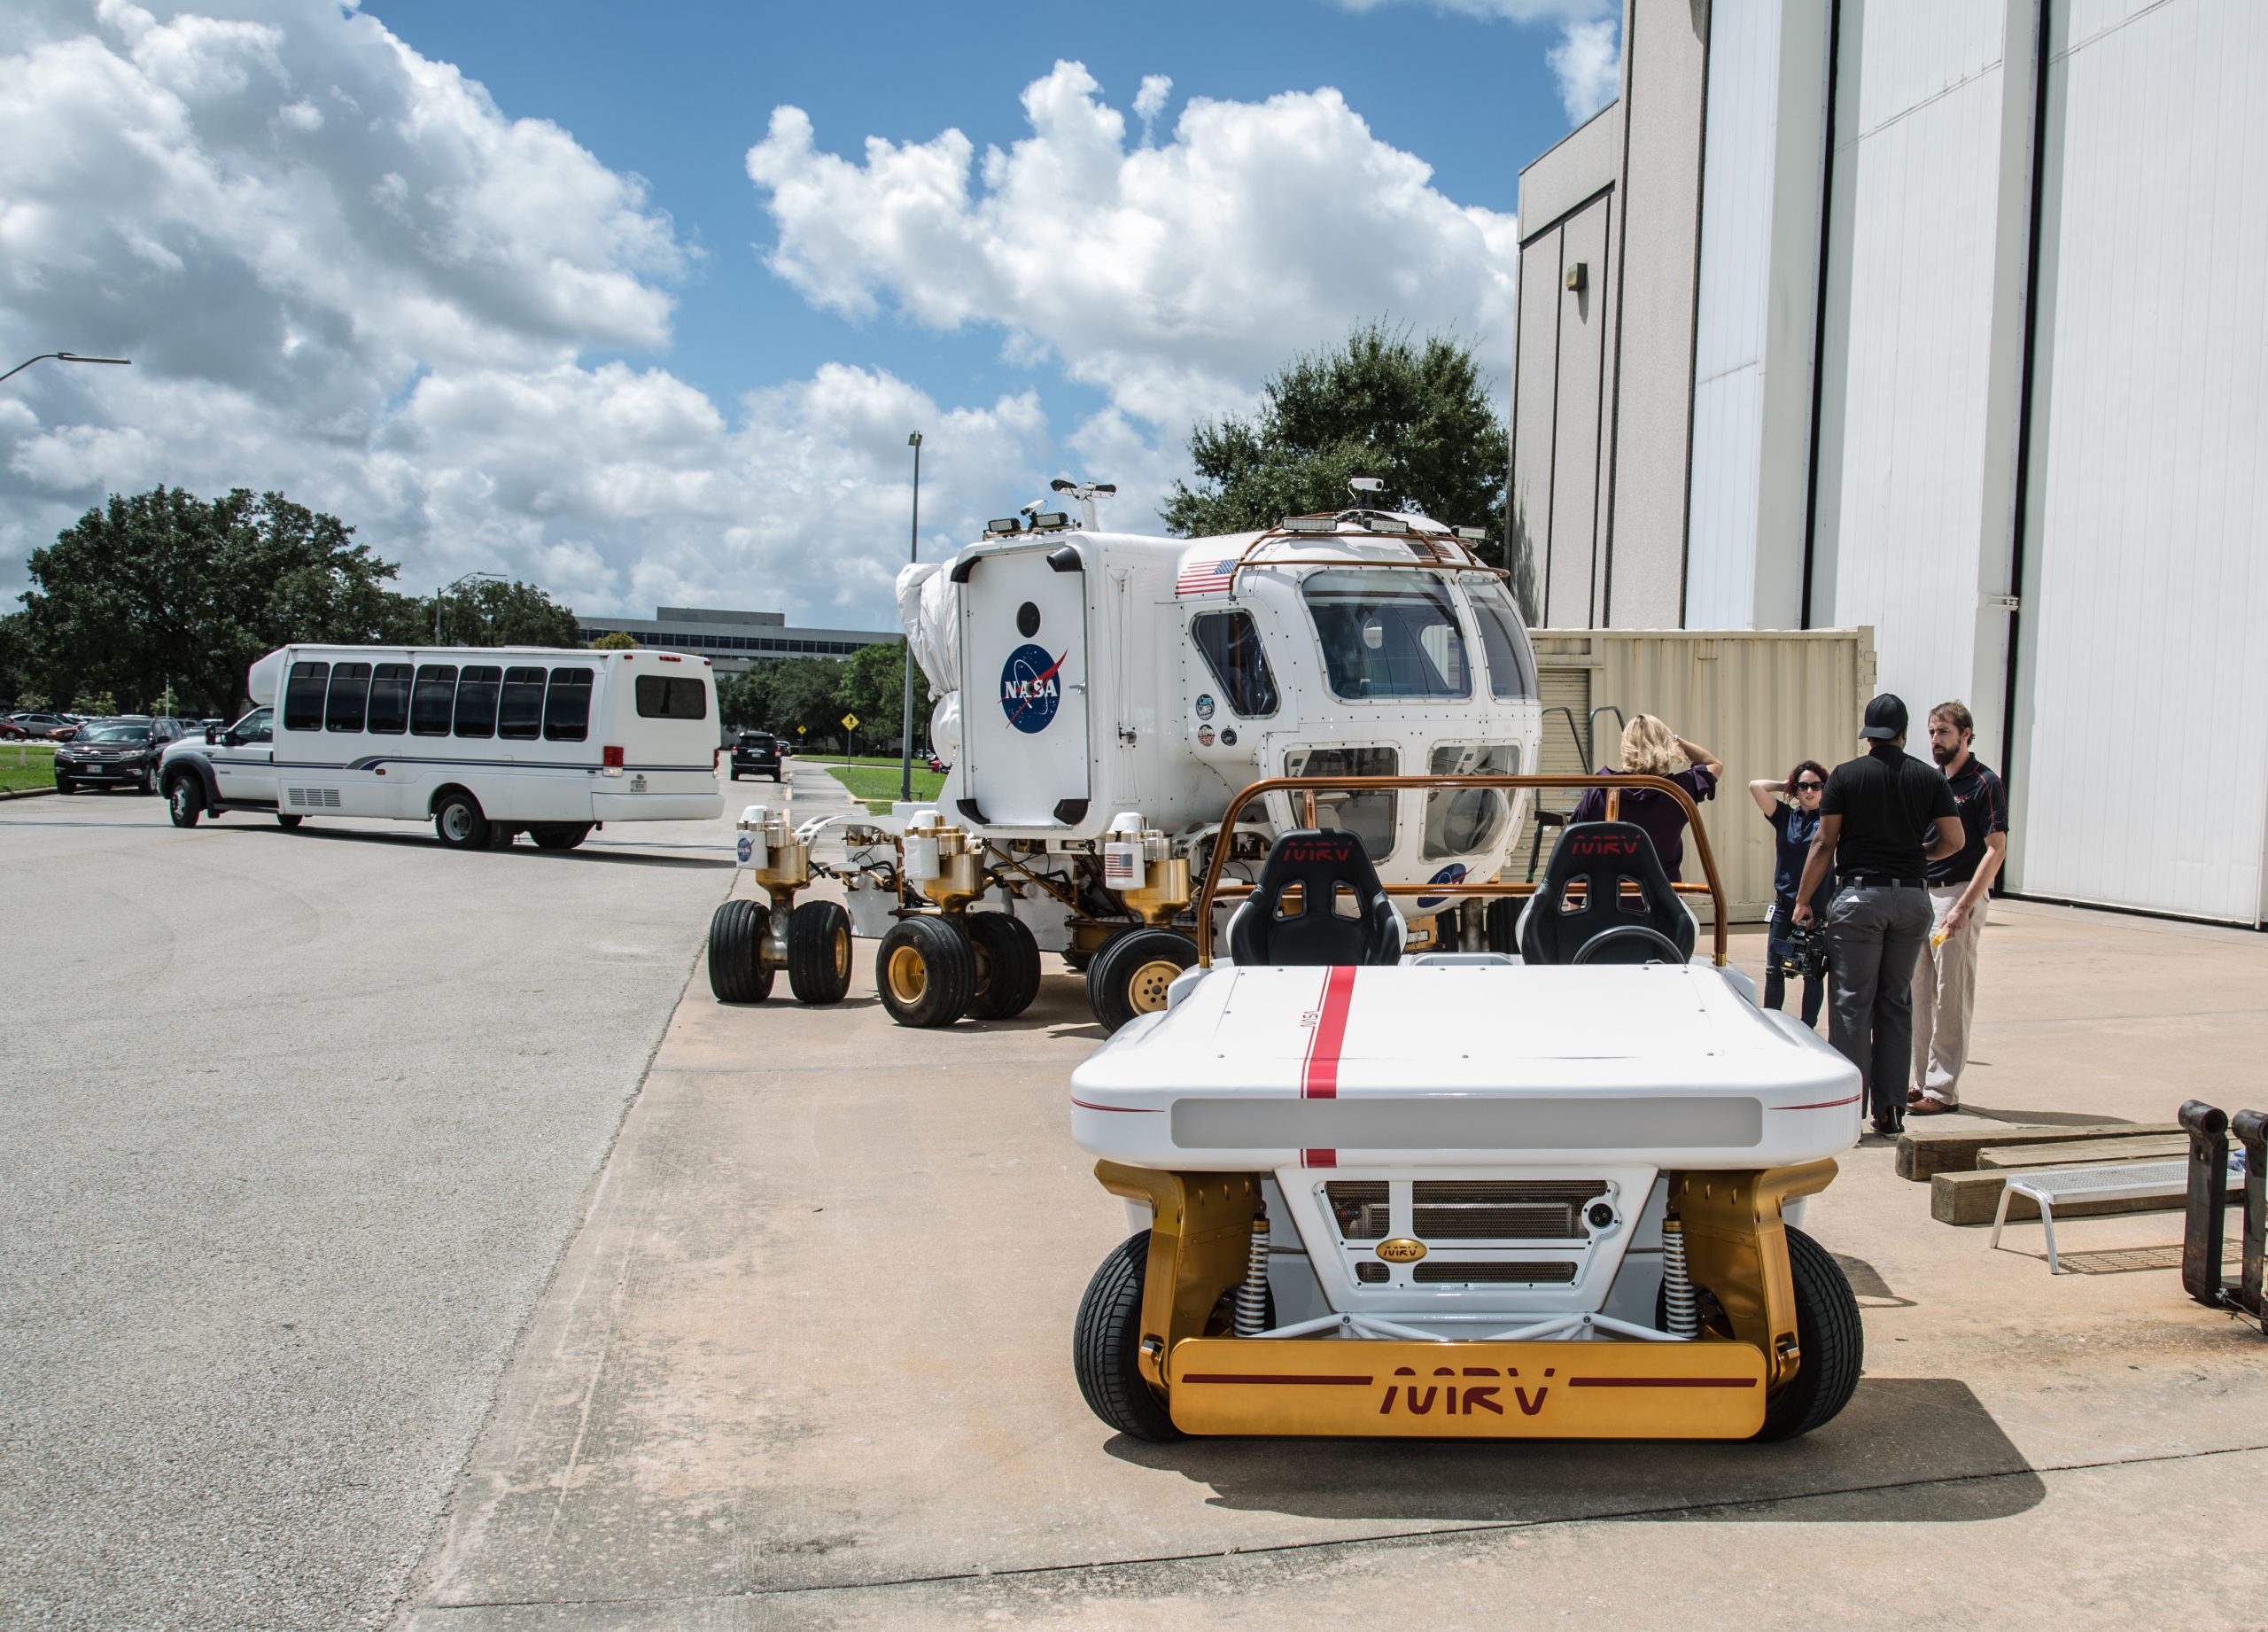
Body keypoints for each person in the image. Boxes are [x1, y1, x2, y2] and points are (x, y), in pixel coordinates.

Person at [1792, 695, 1964, 1137]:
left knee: (1852, 1004)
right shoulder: (1929, 779)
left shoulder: (1846, 777)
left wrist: (1803, 899)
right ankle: (1890, 1111)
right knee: (1895, 1002)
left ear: (1868, 735)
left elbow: (1824, 844)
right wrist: (1916, 858)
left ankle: (1849, 1109)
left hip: (1859, 899)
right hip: (1910, 900)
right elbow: (1955, 840)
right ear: (1905, 733)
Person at [1907, 701, 2008, 1116]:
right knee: (1918, 992)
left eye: (1944, 732)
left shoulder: (1984, 783)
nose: (1935, 740)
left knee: (1952, 994)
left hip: (1959, 894)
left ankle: (1943, 1089)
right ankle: (1921, 1082)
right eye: (1931, 732)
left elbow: (1996, 849)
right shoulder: (1932, 782)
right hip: (1924, 893)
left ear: (1966, 734)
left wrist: (1965, 905)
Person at [1570, 714, 1722, 880]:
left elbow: (1575, 847)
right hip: (1664, 900)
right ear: (1666, 745)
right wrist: (1675, 739)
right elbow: (1714, 765)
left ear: (1625, 747)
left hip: (1609, 900)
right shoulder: (1677, 790)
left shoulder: (1600, 792)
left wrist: (1575, 901)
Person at [1749, 760, 1833, 1026]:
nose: (1809, 791)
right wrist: (1785, 785)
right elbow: (1756, 787)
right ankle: (1771, 1026)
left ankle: (1808, 1028)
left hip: (1816, 909)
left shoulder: (1830, 821)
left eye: (1816, 786)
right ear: (1795, 790)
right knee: (1775, 969)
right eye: (1803, 786)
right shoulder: (1786, 816)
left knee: (1812, 972)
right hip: (1785, 908)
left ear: (1824, 789)